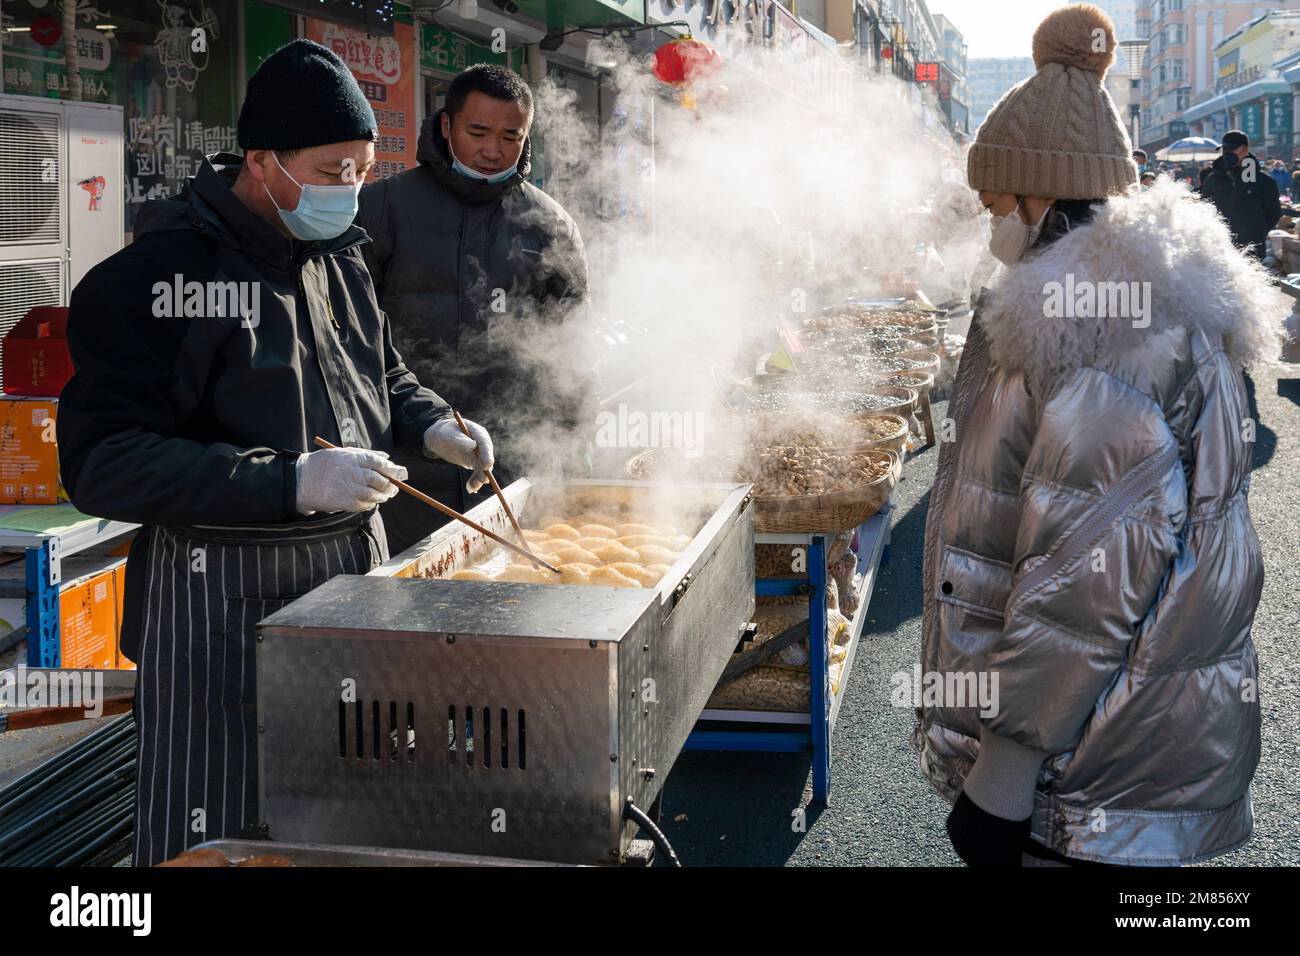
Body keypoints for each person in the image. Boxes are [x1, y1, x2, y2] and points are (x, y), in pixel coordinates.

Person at [56, 40, 497, 866]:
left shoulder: (338, 257)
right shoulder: (155, 278)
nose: (351, 191)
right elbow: (102, 462)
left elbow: (380, 373)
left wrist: (434, 423)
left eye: (363, 171)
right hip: (217, 606)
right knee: (221, 825)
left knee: (345, 813)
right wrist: (289, 481)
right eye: (333, 171)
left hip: (353, 584)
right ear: (262, 161)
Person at [919, 2, 1273, 867]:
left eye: (997, 199)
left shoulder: (1099, 333)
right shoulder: (1128, 298)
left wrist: (1007, 765)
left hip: (1091, 769)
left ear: (1044, 196)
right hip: (1125, 734)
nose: (990, 219)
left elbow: (1087, 574)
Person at [356, 64, 591, 555]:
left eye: (511, 136)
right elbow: (350, 339)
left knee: (510, 602)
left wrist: (569, 450)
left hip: (510, 459)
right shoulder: (382, 208)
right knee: (408, 607)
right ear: (447, 125)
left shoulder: (548, 225)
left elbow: (571, 351)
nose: (493, 150)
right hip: (405, 463)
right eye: (478, 131)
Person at [1201, 129, 1281, 257]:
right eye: (1225, 150)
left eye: (1232, 149)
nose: (1227, 153)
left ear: (1244, 149)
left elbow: (1273, 214)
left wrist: (1257, 232)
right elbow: (1204, 210)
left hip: (1252, 250)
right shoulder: (1212, 180)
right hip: (1219, 249)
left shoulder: (1264, 181)